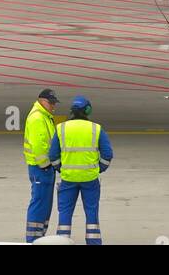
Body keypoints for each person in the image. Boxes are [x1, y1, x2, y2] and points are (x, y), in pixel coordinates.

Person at [47, 95, 113, 245]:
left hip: (68, 178)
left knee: (64, 214)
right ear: (88, 110)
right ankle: (93, 242)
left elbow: (52, 155)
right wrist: (99, 169)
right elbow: (107, 154)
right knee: (92, 214)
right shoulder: (96, 129)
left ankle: (62, 241)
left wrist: (60, 169)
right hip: (90, 179)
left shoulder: (61, 128)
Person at [22, 88, 59, 242]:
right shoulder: (37, 118)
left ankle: (39, 236)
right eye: (50, 103)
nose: (53, 106)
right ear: (42, 101)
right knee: (39, 203)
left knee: (45, 204)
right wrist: (45, 165)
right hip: (40, 168)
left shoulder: (45, 116)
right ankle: (32, 239)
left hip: (45, 168)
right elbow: (39, 146)